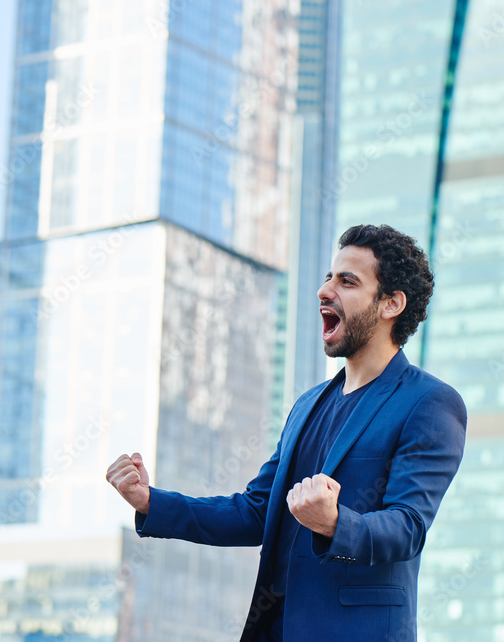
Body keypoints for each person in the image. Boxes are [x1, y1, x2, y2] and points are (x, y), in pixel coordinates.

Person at [106, 224, 467, 641]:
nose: (325, 290)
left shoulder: (430, 403)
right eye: (328, 277)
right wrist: (150, 502)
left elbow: (407, 528)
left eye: (347, 281)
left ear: (391, 304)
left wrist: (334, 522)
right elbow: (257, 512)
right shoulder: (307, 405)